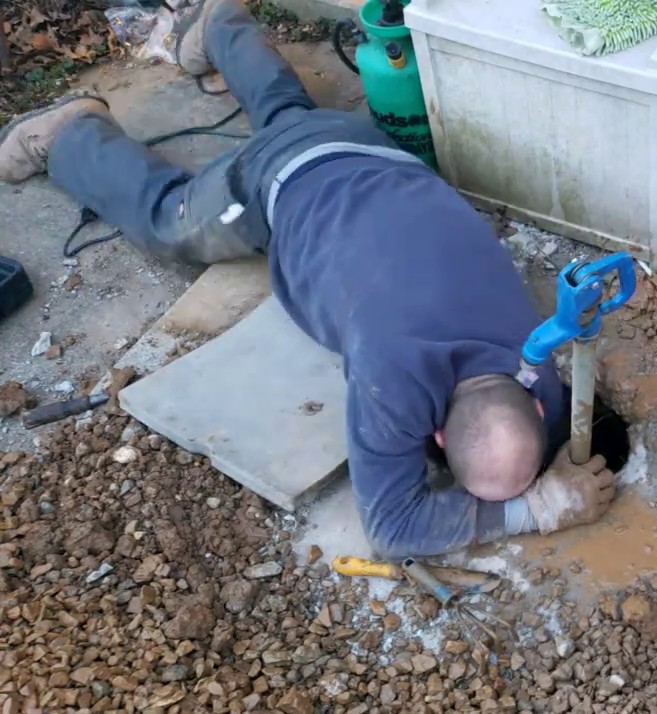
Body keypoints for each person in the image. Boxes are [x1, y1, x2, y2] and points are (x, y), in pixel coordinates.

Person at [0, 0, 617, 559]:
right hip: (278, 183)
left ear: (535, 402)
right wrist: (532, 511)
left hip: (371, 150)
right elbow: (393, 529)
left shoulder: (539, 349)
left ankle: (222, 24)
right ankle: (69, 133)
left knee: (288, 116)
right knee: (172, 223)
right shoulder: (393, 378)